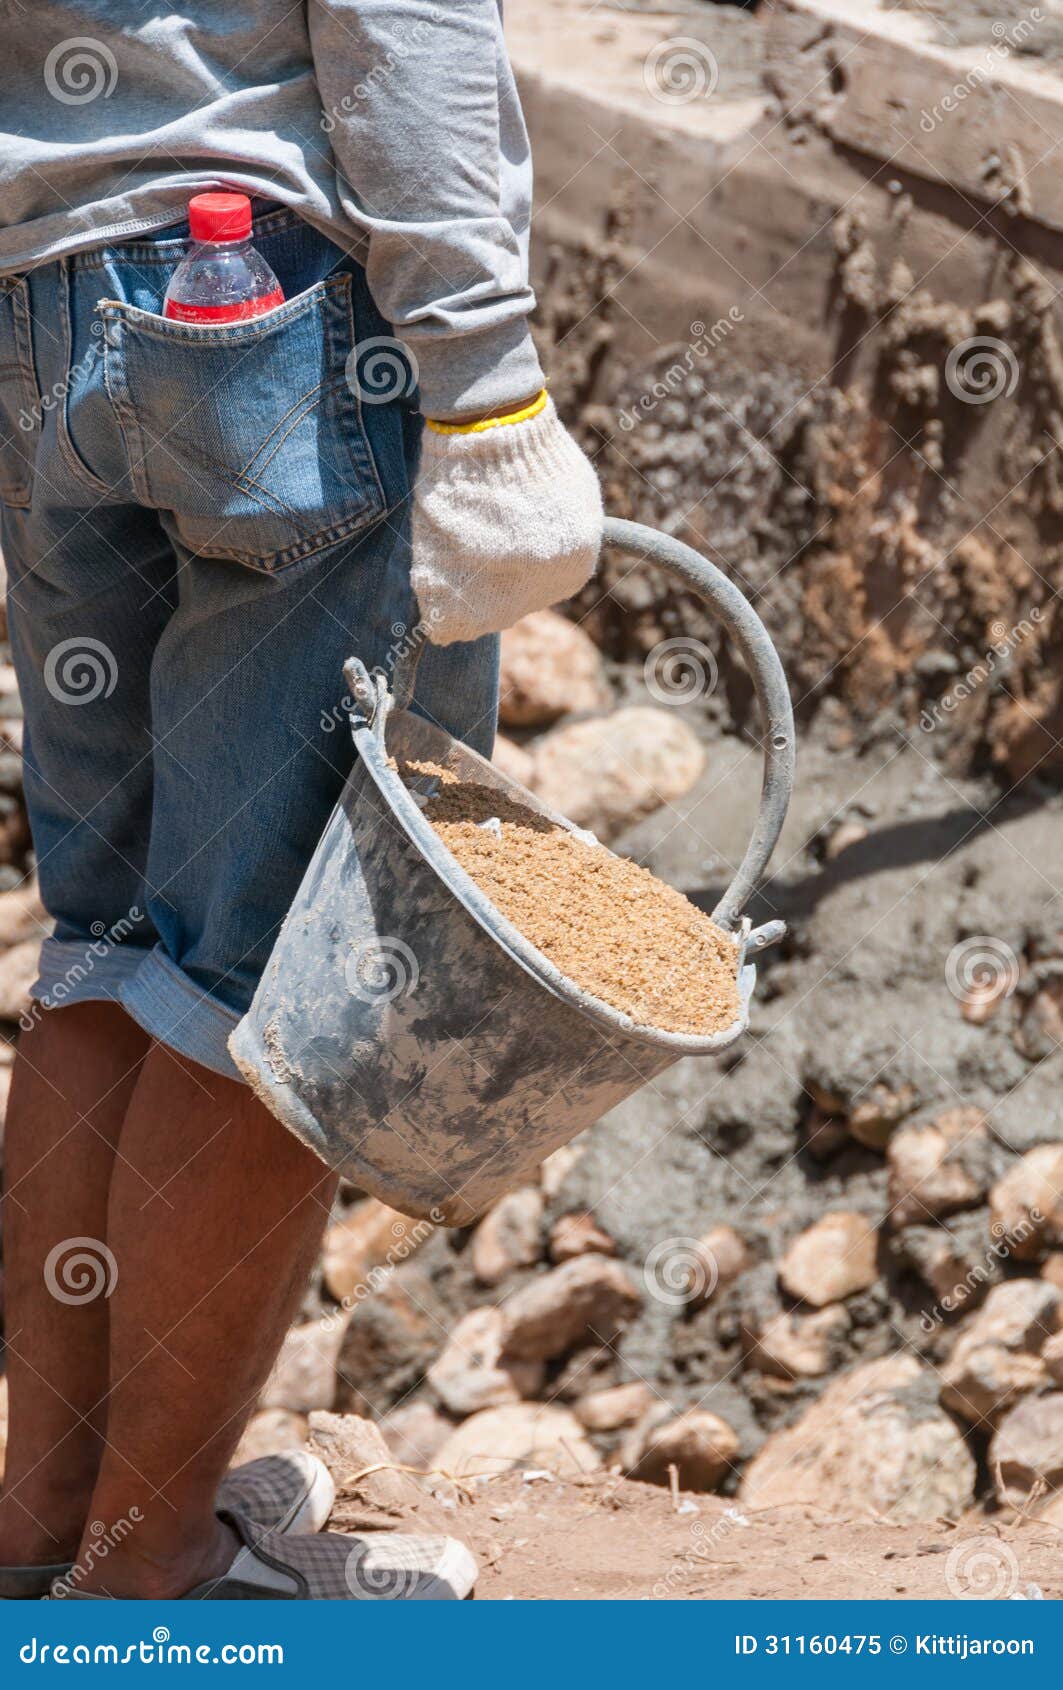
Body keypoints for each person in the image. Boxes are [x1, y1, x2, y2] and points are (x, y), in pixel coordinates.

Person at [0, 2, 602, 1600]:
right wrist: (484, 382)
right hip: (266, 304)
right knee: (283, 968)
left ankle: (43, 1529)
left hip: (35, 297)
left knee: (107, 934)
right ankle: (151, 1570)